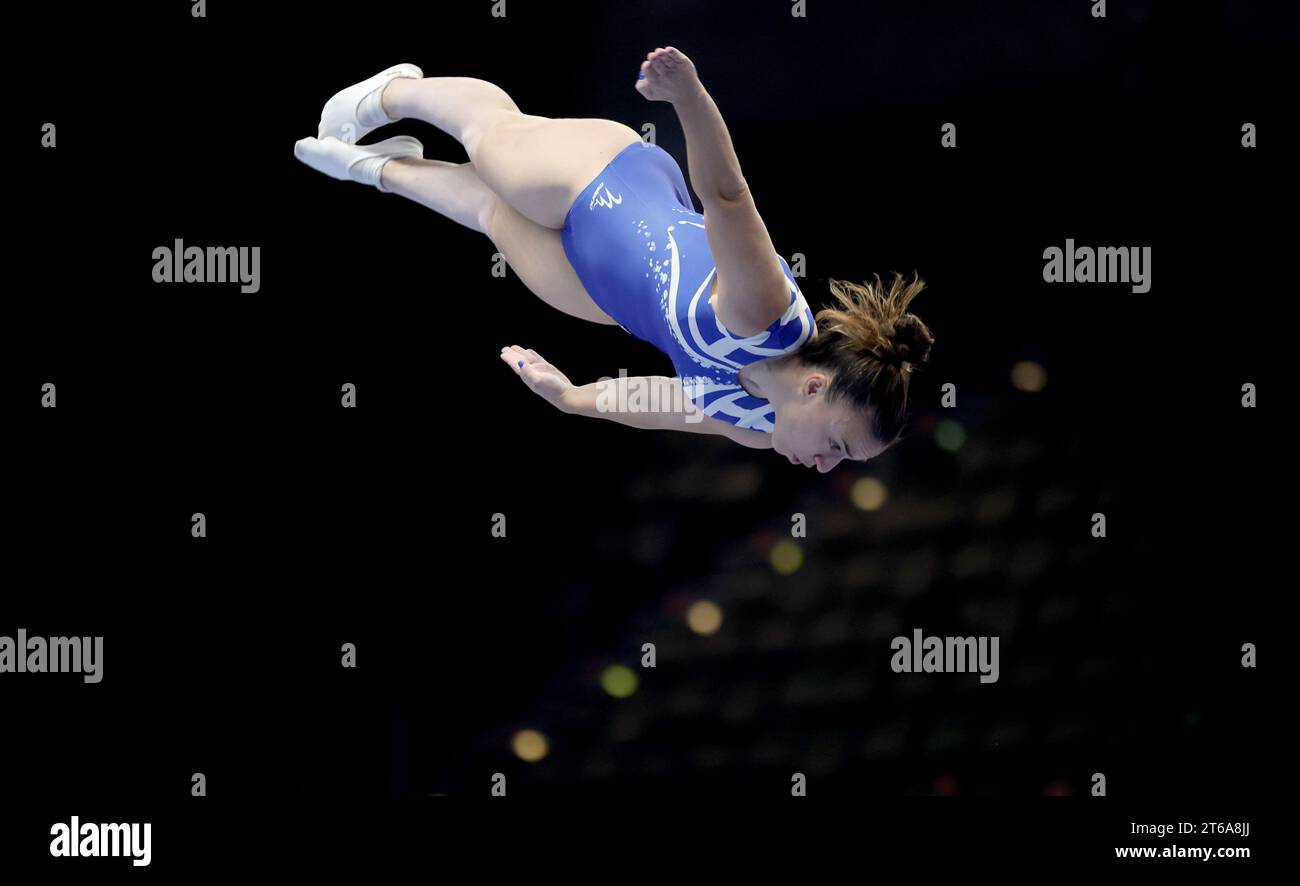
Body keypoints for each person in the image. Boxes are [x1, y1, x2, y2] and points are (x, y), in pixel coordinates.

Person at [294, 47, 934, 472]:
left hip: (602, 296)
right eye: (837, 446)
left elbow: (663, 404)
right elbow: (727, 198)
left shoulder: (755, 424)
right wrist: (688, 95)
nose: (824, 466)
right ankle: (397, 92)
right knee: (489, 138)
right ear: (816, 388)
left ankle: (376, 167)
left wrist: (574, 398)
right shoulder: (766, 315)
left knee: (489, 213)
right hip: (601, 180)